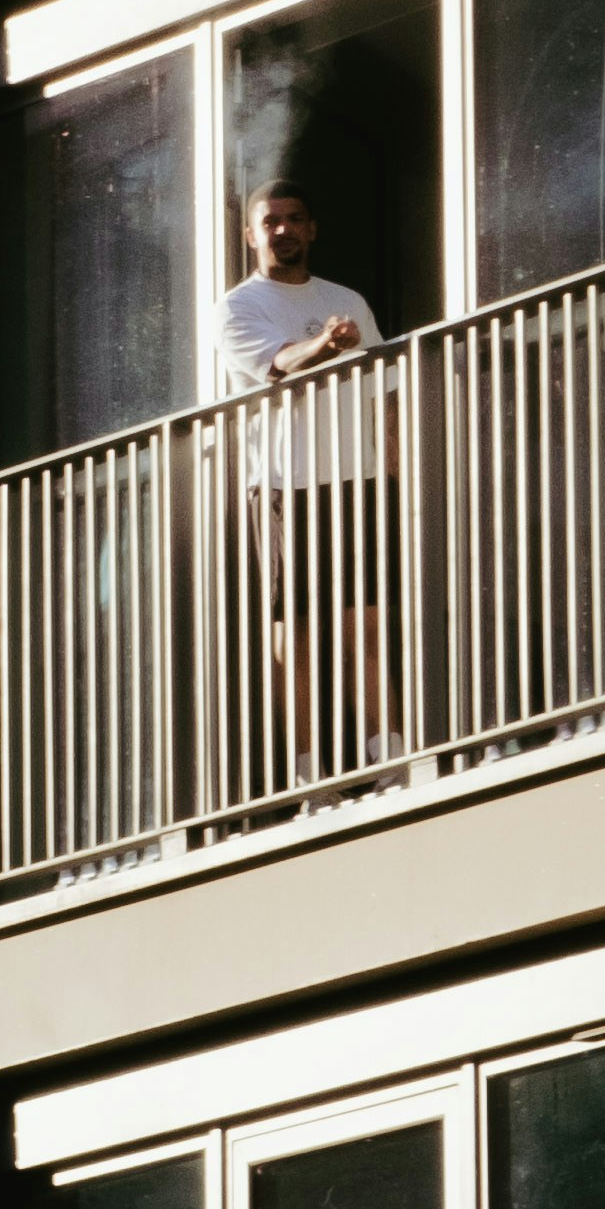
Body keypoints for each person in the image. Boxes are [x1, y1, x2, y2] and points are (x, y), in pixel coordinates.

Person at [214, 180, 394, 785]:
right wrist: (326, 342)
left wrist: (392, 464)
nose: (283, 231)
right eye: (271, 222)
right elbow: (280, 363)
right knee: (298, 634)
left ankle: (386, 755)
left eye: (294, 220)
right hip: (287, 485)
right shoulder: (240, 307)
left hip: (356, 478)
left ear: (312, 229)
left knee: (366, 623)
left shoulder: (347, 298)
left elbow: (384, 393)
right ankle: (308, 773)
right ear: (252, 235)